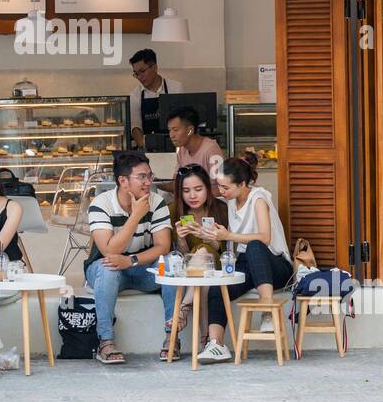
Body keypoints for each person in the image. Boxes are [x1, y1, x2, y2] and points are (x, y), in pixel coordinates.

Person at [84, 151, 177, 365]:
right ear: (123, 181)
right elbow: (109, 251)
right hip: (106, 267)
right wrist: (135, 216)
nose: (148, 182)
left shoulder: (157, 202)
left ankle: (172, 338)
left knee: (171, 263)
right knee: (108, 268)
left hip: (142, 267)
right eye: (142, 177)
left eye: (150, 176)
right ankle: (105, 341)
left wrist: (131, 260)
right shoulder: (101, 203)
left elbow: (162, 246)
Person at [199, 154, 293, 364]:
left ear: (242, 184)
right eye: (219, 186)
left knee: (255, 246)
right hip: (251, 265)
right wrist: (210, 235)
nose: (221, 192)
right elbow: (232, 243)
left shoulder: (258, 198)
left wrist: (228, 235)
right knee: (218, 287)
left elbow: (265, 237)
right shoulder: (232, 202)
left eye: (226, 187)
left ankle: (267, 311)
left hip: (276, 265)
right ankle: (216, 345)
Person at [170, 163, 230, 348]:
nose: (193, 196)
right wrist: (181, 240)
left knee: (204, 251)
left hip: (217, 265)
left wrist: (209, 238)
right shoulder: (174, 211)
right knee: (202, 281)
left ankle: (184, 307)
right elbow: (179, 256)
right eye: (186, 191)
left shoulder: (220, 208)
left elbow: (226, 250)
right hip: (191, 271)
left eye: (198, 189)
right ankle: (205, 340)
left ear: (207, 188)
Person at [128, 48, 183, 149]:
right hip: (149, 147)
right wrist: (143, 147)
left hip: (175, 146)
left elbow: (183, 120)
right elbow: (135, 126)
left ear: (155, 67)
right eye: (136, 74)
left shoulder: (176, 88)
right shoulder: (135, 95)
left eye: (142, 71)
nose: (139, 77)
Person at [166, 106, 224, 177]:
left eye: (175, 130)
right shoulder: (182, 150)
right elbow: (176, 182)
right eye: (169, 130)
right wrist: (155, 183)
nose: (171, 135)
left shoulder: (211, 150)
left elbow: (222, 185)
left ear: (190, 130)